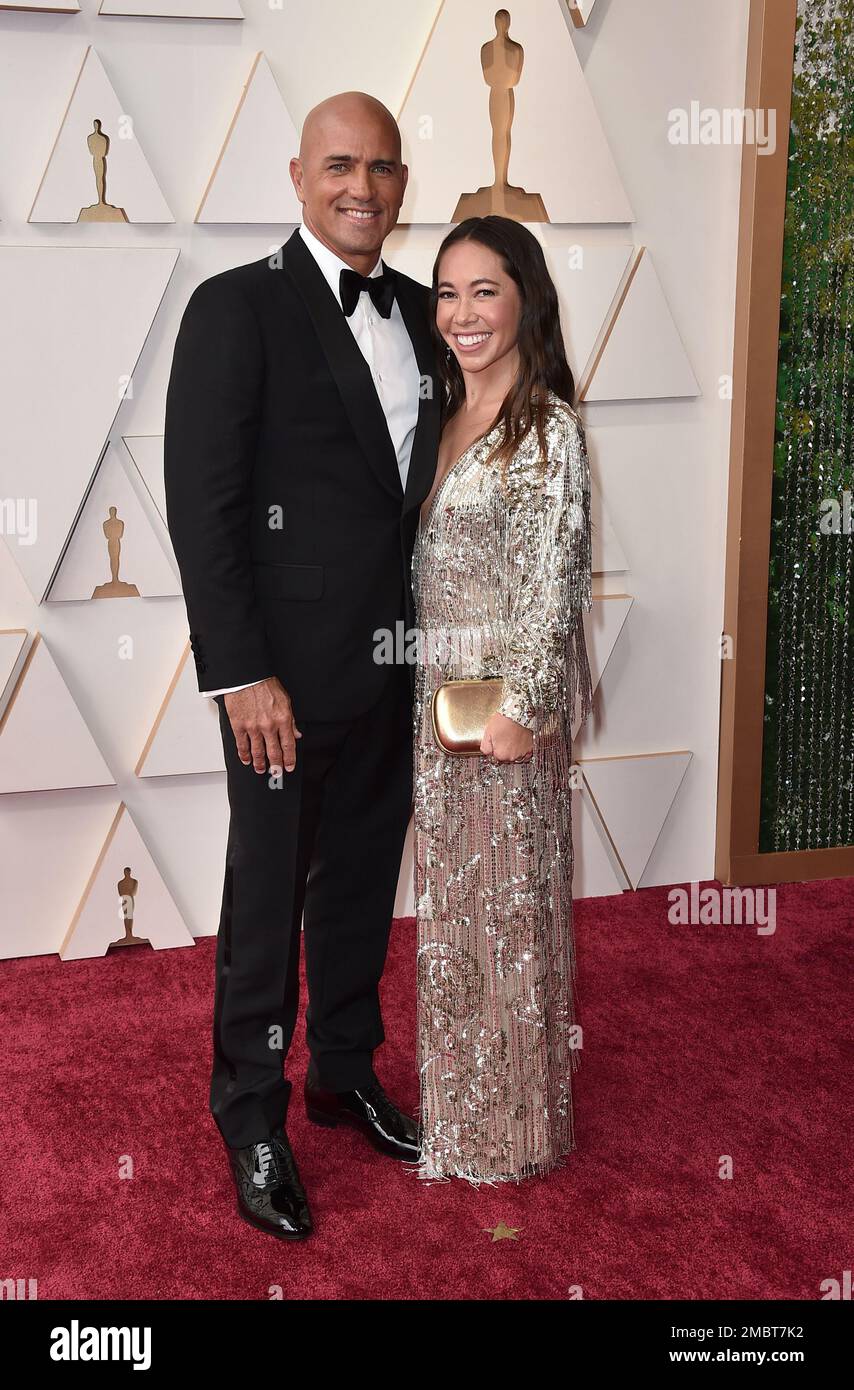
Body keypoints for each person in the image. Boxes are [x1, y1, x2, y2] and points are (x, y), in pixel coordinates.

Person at [164, 92, 440, 1240]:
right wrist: (241, 674)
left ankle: (340, 1072)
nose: (360, 188)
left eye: (380, 167)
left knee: (363, 883)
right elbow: (204, 504)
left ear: (401, 183)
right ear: (296, 176)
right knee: (265, 899)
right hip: (278, 680)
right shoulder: (235, 308)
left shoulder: (425, 310)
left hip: (396, 663)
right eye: (338, 166)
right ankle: (250, 1116)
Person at [412, 215, 594, 1184]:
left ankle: (513, 1133)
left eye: (484, 290)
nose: (463, 312)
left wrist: (524, 708)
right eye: (447, 292)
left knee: (510, 916)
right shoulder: (441, 416)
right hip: (434, 711)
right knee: (453, 919)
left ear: (526, 298)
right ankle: (457, 1117)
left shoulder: (545, 426)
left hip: (504, 721)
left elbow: (554, 578)